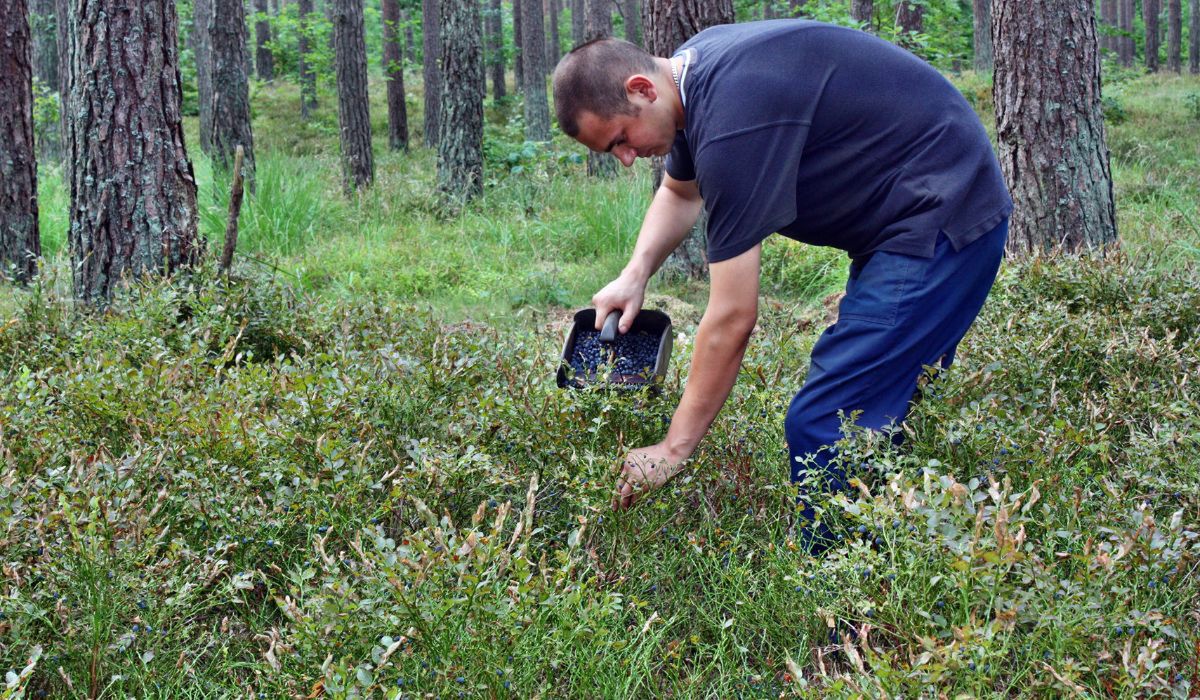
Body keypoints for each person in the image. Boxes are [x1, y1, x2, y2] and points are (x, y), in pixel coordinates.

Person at [552, 20, 1012, 551]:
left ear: (641, 89)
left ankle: (846, 604)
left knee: (826, 422)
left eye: (621, 140)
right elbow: (680, 194)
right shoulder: (692, 77)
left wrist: (674, 449)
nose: (628, 159)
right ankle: (916, 554)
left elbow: (733, 317)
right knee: (882, 406)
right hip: (914, 214)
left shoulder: (732, 124)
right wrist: (635, 275)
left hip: (942, 216)